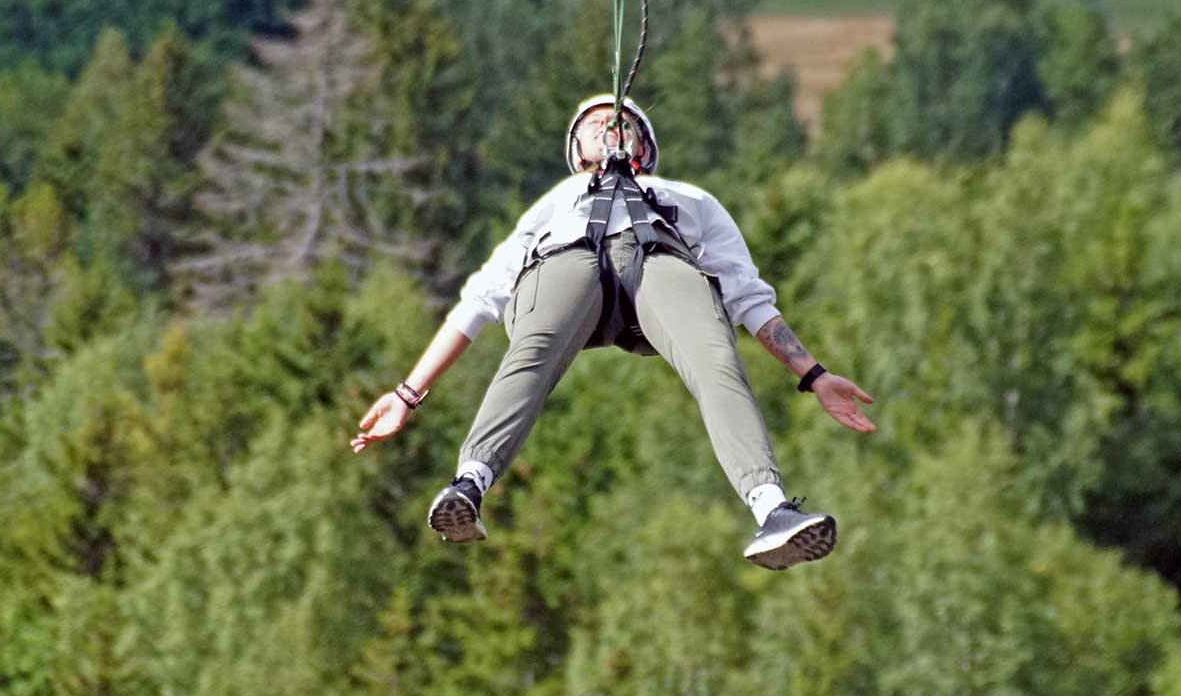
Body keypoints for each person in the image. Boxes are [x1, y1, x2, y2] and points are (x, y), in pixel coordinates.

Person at [351, 94, 876, 569]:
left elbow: (749, 298)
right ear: (577, 151)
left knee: (716, 359)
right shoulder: (560, 200)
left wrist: (814, 375)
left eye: (622, 122)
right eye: (595, 124)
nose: (609, 127)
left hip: (658, 262)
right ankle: (469, 484)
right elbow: (481, 299)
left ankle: (772, 509)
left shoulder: (690, 200)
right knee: (532, 353)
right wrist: (408, 393)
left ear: (643, 147)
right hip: (566, 262)